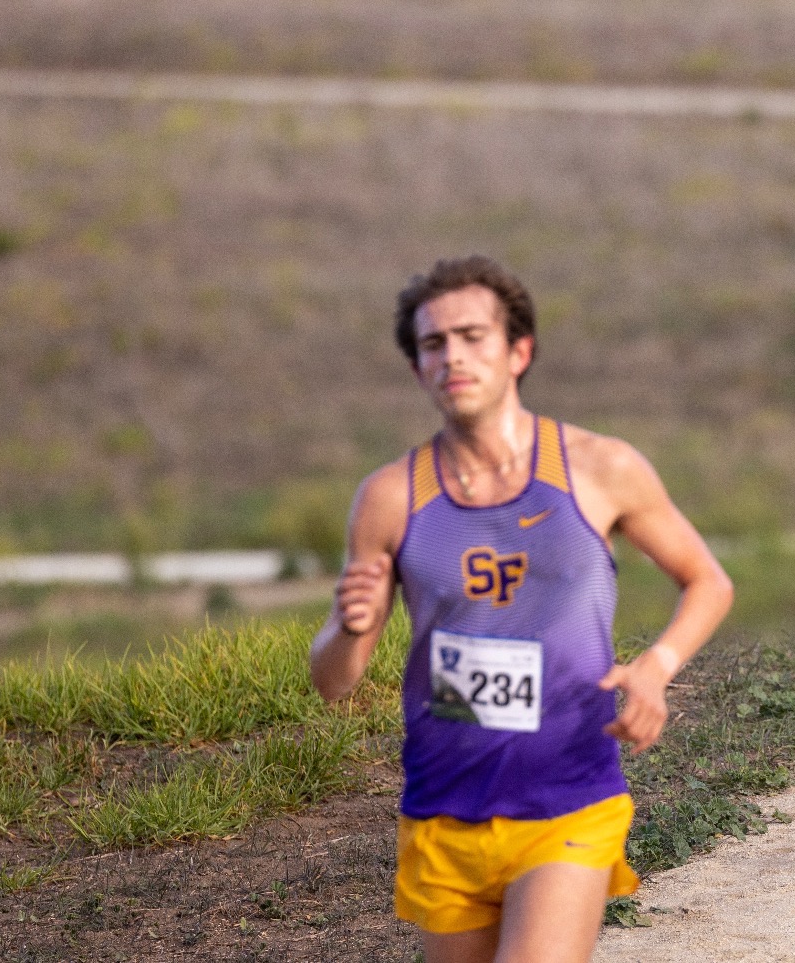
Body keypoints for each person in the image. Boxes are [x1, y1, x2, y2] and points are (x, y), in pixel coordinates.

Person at [310, 256, 732, 963]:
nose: (453, 356)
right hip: (443, 807)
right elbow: (334, 682)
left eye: (473, 336)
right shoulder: (389, 497)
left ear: (519, 351)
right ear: (417, 368)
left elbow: (707, 580)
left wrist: (656, 667)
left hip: (569, 797)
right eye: (434, 344)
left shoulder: (600, 467)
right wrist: (348, 627)